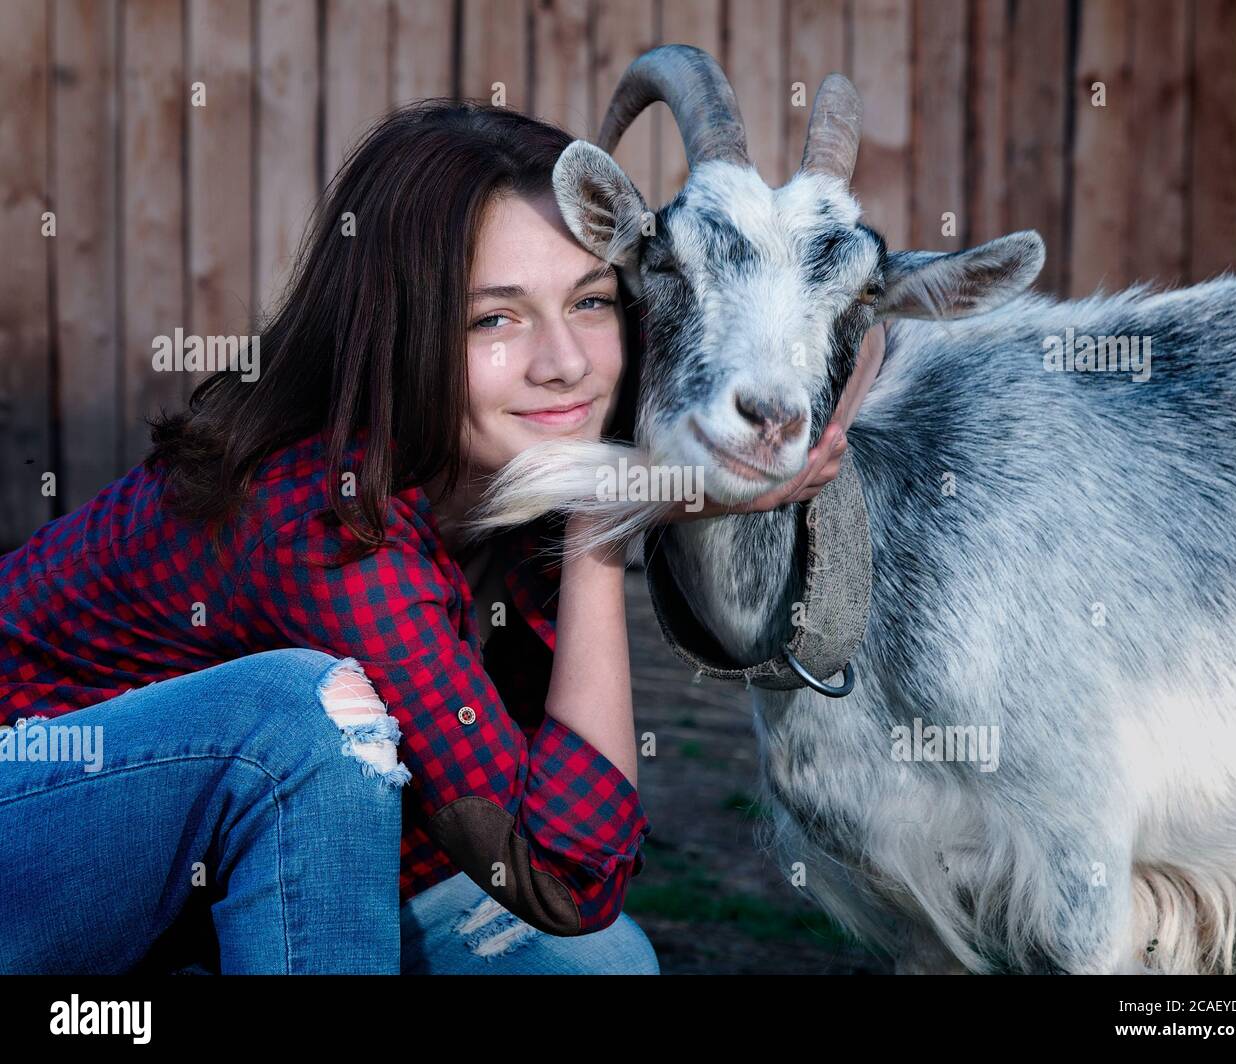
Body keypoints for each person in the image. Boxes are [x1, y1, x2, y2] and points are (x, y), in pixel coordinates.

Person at [0, 99, 881, 975]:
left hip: (254, 854)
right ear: (401, 331)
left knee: (601, 968)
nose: (564, 362)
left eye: (590, 300)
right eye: (494, 318)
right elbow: (563, 877)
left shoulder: (522, 456)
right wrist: (605, 524)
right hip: (38, 822)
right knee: (307, 714)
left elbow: (575, 866)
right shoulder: (325, 519)